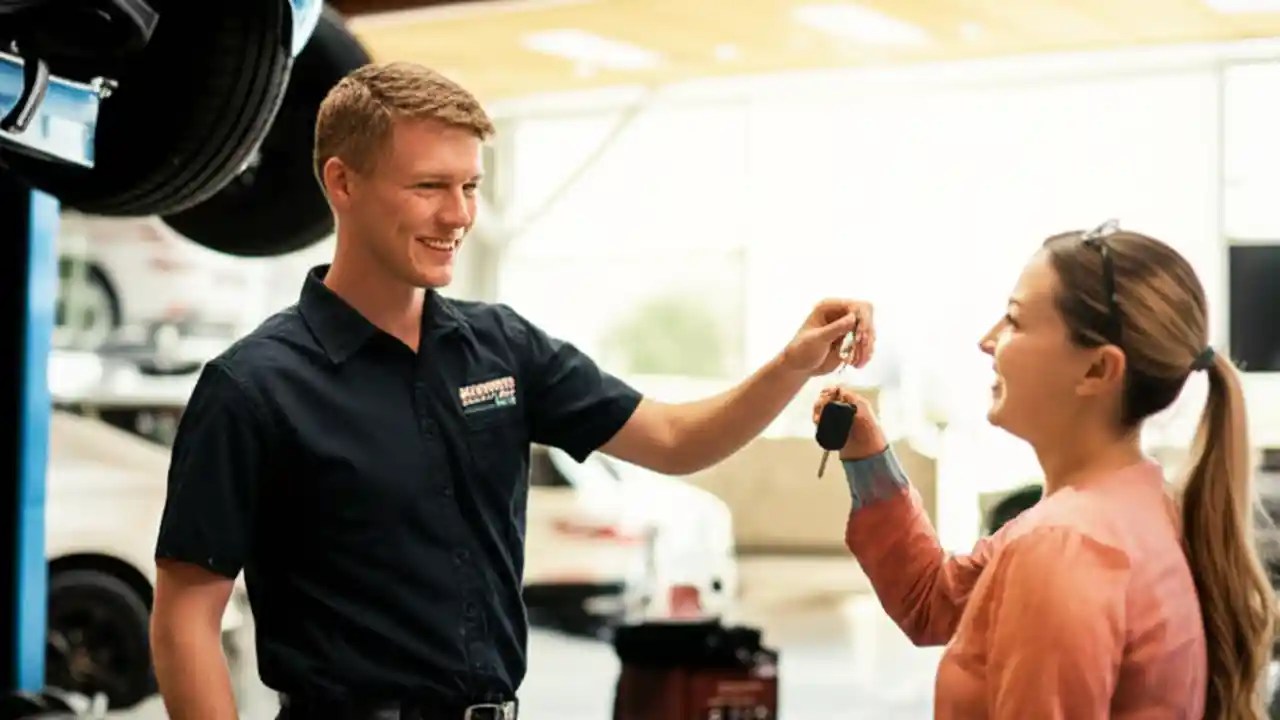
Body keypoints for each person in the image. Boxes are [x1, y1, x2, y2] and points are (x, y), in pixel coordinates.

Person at [147, 60, 876, 720]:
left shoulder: (501, 346)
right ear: (342, 183)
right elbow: (185, 616)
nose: (459, 214)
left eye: (469, 187)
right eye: (429, 186)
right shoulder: (253, 387)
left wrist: (792, 364)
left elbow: (679, 441)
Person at [814, 221, 1277, 719]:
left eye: (1014, 321)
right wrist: (868, 454)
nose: (987, 341)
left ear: (1097, 370)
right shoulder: (1137, 508)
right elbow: (932, 601)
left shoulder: (1065, 547)